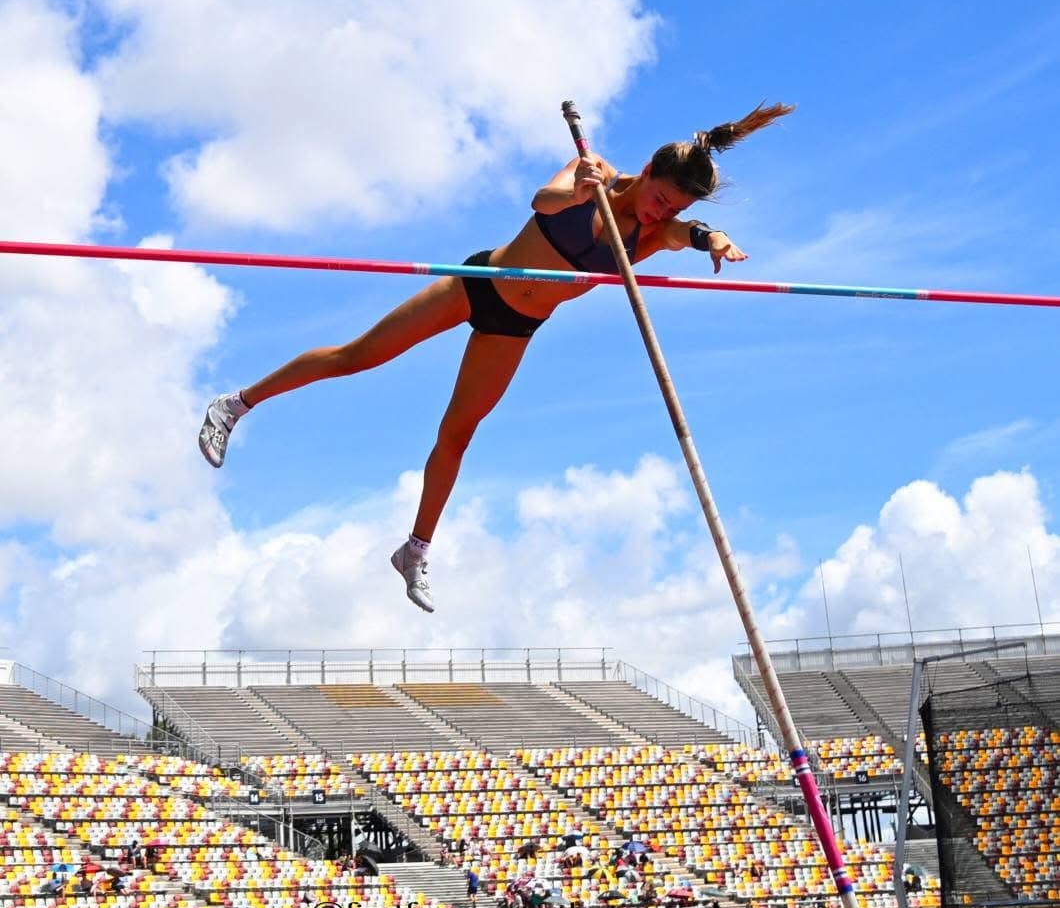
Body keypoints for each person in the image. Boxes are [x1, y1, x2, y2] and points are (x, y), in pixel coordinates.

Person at [198, 103, 794, 612]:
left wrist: (711, 237)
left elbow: (690, 234)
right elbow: (543, 198)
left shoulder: (658, 230)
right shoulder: (600, 175)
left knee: (458, 433)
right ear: (646, 175)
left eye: (672, 209)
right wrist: (581, 188)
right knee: (358, 357)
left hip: (516, 325)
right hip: (478, 282)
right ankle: (236, 403)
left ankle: (416, 550)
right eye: (660, 200)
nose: (661, 213)